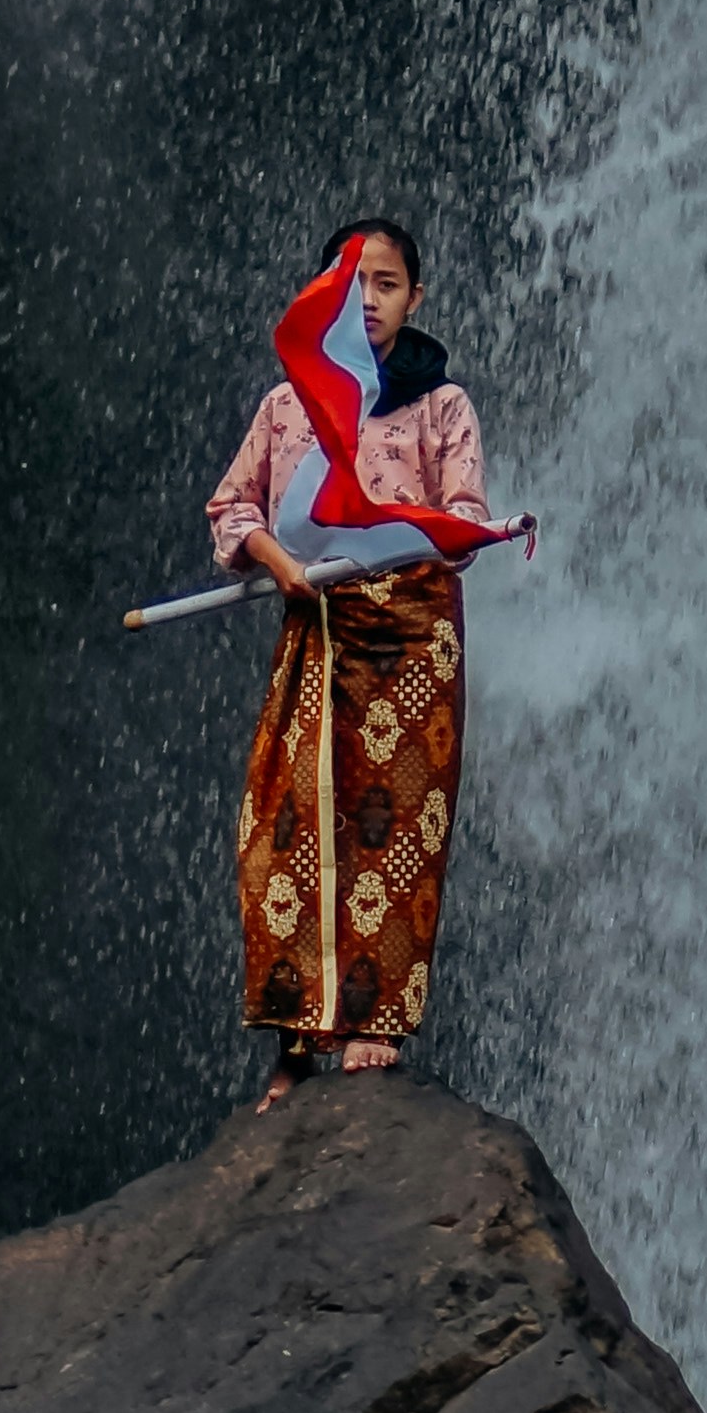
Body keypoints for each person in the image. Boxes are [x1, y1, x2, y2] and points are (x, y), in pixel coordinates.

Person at [207, 221, 492, 1100]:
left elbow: (464, 523)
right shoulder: (287, 405)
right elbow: (231, 507)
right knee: (289, 824)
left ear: (416, 299)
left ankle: (374, 1024)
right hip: (317, 624)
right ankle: (296, 1038)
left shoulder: (442, 406)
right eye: (353, 282)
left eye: (388, 283)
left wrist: (397, 539)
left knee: (395, 830)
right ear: (322, 293)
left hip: (408, 636)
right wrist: (280, 561)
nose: (369, 300)